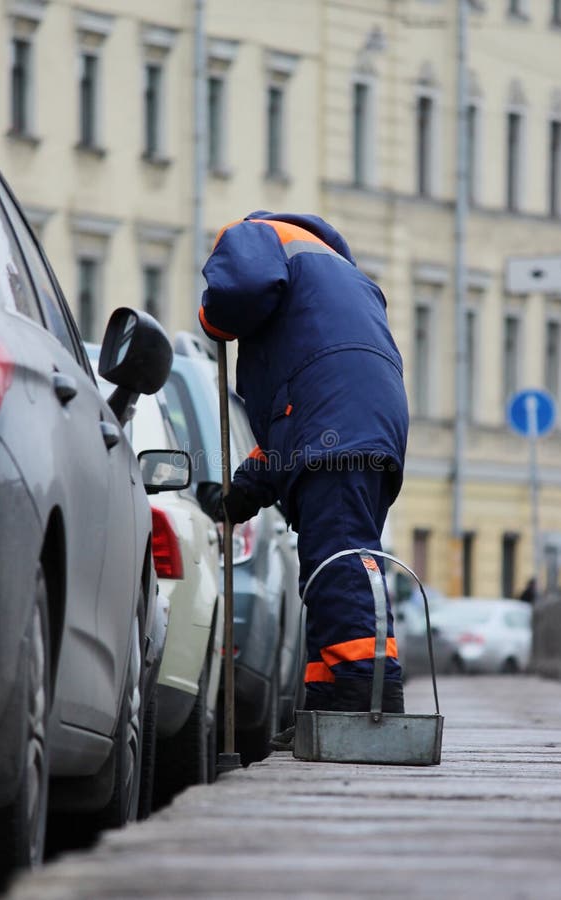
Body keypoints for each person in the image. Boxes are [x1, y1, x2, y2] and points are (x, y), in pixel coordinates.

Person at [197, 211, 409, 744]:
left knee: (339, 557)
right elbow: (290, 434)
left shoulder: (256, 234)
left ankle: (366, 693)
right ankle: (326, 705)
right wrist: (243, 491)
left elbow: (237, 287)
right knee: (331, 562)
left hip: (339, 426)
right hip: (365, 421)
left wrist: (213, 319)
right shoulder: (334, 275)